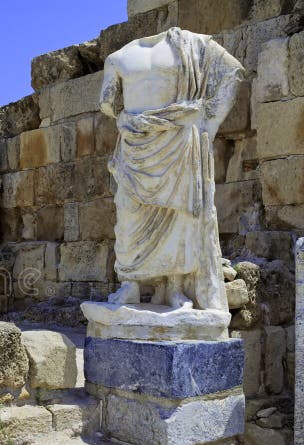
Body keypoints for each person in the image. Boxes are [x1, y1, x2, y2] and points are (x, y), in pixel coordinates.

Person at [100, 27, 243, 311]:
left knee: (179, 214)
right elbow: (106, 103)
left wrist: (209, 124)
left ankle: (176, 287)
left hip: (178, 140)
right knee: (129, 214)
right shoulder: (117, 58)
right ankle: (130, 285)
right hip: (136, 144)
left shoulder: (194, 44)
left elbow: (233, 71)